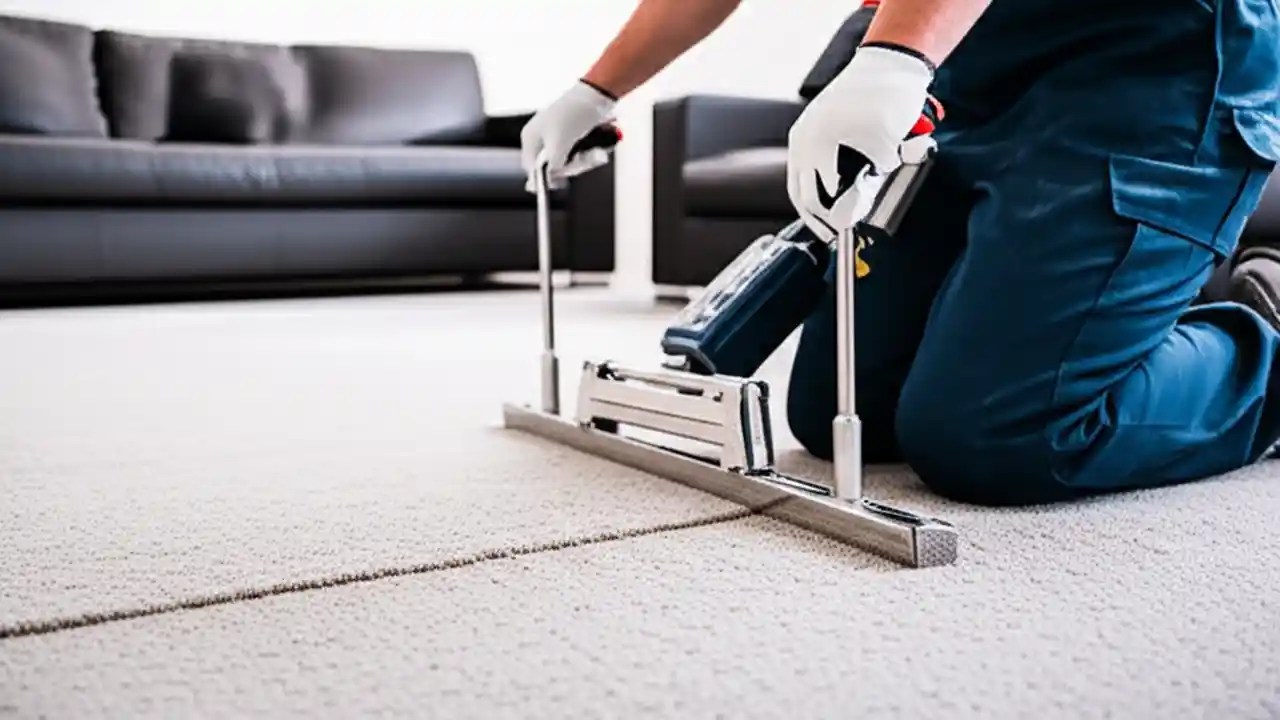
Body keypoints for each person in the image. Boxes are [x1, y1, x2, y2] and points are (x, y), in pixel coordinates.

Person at [519, 0, 1280, 506]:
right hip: (976, 52)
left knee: (995, 434)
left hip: (1152, 56)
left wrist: (895, 56)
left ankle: (1262, 345)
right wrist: (598, 89)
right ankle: (1119, 305)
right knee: (840, 413)